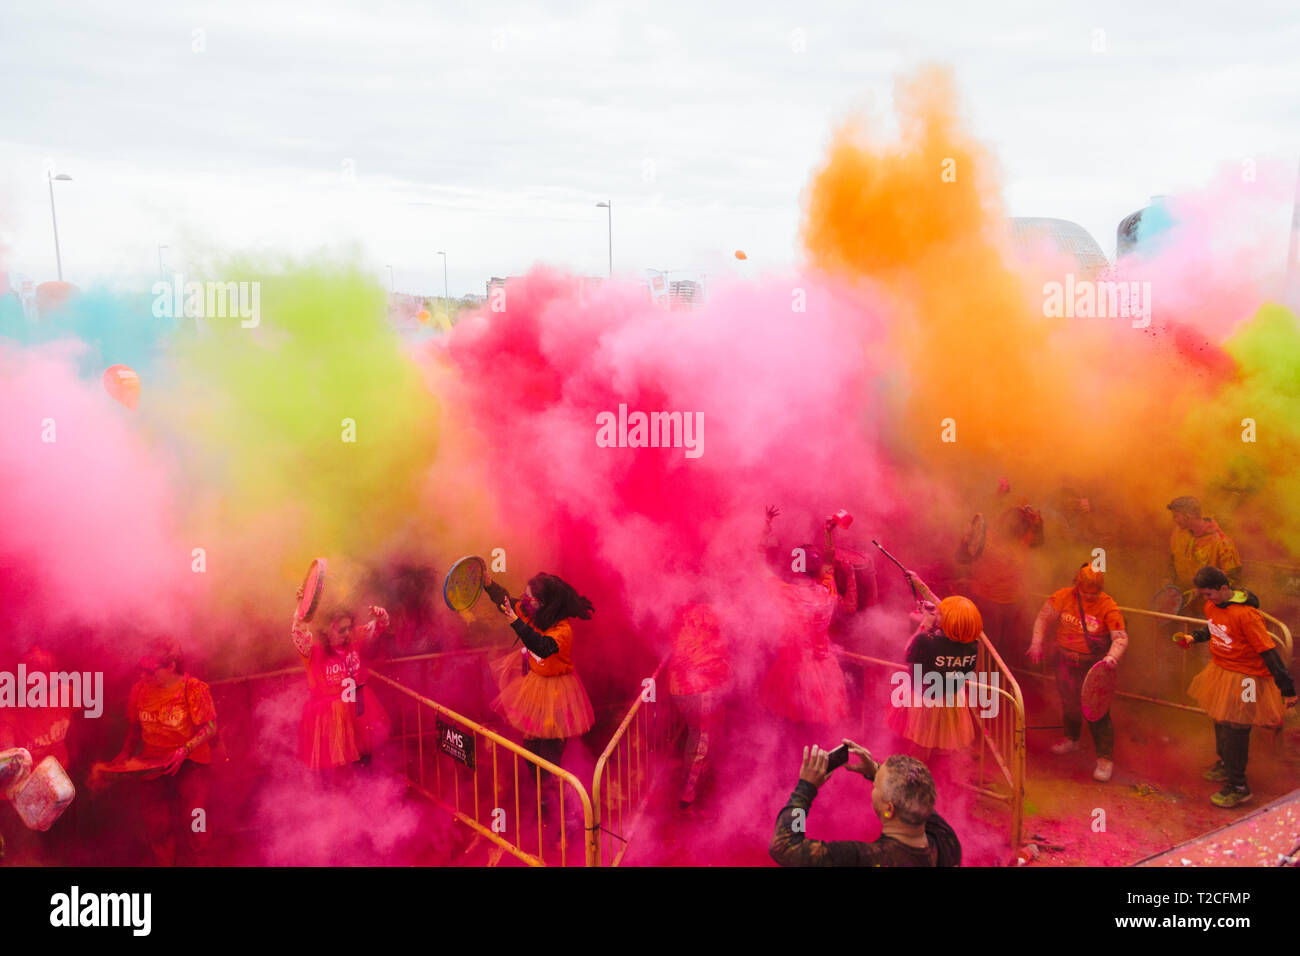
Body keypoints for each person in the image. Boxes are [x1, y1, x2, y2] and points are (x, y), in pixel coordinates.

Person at [1174, 566, 1297, 807]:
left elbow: (1269, 652)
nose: (1206, 600)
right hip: (1221, 671)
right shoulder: (1212, 605)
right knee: (1220, 720)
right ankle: (1225, 763)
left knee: (1236, 730)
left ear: (1224, 588)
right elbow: (1215, 627)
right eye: (1203, 595)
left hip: (1247, 678)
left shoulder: (1246, 615)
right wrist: (1194, 637)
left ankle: (1239, 786)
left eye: (1209, 594)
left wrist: (1287, 688)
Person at [110, 637, 217, 866]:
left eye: (150, 671)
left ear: (170, 666)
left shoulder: (193, 689)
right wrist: (125, 752)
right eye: (141, 670)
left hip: (191, 766)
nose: (143, 676)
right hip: (152, 767)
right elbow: (135, 727)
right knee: (157, 827)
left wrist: (184, 750)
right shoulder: (139, 690)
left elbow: (210, 727)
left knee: (197, 823)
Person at [769, 740, 961, 866]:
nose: (873, 786)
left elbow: (785, 847)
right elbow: (918, 795)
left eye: (875, 785)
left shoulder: (862, 858)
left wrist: (805, 789)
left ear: (889, 809)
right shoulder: (948, 843)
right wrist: (875, 771)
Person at [486, 570, 595, 775]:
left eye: (530, 598)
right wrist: (488, 583)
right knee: (531, 756)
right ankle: (545, 797)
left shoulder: (563, 631)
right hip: (535, 689)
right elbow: (507, 601)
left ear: (544, 603)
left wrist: (515, 622)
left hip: (556, 696)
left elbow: (542, 647)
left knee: (548, 760)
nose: (525, 602)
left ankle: (553, 800)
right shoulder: (532, 612)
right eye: (525, 596)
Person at [1027, 565, 1129, 782]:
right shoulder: (1063, 597)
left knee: (1097, 711)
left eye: (1095, 593)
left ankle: (1104, 759)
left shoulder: (1108, 606)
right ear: (1078, 586)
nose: (1091, 597)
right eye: (1086, 593)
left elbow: (1120, 637)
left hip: (1092, 667)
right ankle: (1071, 739)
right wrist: (1036, 642)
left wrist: (1112, 657)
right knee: (1069, 703)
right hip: (1064, 660)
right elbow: (1043, 617)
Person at [761, 512, 850, 727]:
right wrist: (829, 534)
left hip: (793, 669)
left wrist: (766, 530)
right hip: (825, 669)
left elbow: (759, 566)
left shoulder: (787, 593)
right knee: (816, 728)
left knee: (790, 726)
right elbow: (829, 561)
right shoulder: (827, 590)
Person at [292, 594, 391, 771]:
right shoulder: (314, 648)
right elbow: (298, 634)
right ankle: (335, 798)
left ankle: (365, 796)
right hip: (328, 717)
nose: (347, 633)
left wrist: (381, 614)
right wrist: (301, 608)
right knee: (335, 771)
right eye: (341, 630)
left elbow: (382, 624)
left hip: (357, 709)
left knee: (363, 764)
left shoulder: (353, 638)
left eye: (349, 628)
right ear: (327, 629)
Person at [889, 574, 981, 758]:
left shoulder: (927, 640)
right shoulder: (972, 643)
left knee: (921, 743)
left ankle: (912, 778)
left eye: (941, 614)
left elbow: (908, 652)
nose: (937, 613)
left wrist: (925, 624)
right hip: (952, 699)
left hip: (926, 700)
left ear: (948, 622)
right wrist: (920, 584)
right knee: (940, 738)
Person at [958, 503, 1043, 667]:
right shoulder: (986, 539)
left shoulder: (1023, 539)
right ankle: (982, 683)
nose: (1026, 533)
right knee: (988, 648)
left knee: (1004, 650)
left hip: (1013, 602)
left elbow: (1038, 541)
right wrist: (966, 539)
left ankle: (997, 682)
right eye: (1023, 529)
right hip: (988, 603)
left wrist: (1039, 523)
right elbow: (962, 558)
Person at [667, 602, 730, 809]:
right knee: (701, 741)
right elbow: (712, 656)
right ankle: (688, 797)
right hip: (698, 687)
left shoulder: (682, 611)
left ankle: (693, 786)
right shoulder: (710, 614)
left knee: (696, 736)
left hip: (680, 687)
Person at [1162, 496, 1243, 613]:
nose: (1174, 519)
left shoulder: (1222, 543)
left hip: (1210, 608)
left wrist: (1204, 589)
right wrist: (1168, 578)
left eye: (1176, 516)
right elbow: (1173, 559)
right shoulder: (1178, 534)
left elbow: (1234, 578)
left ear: (1188, 516)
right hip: (1183, 604)